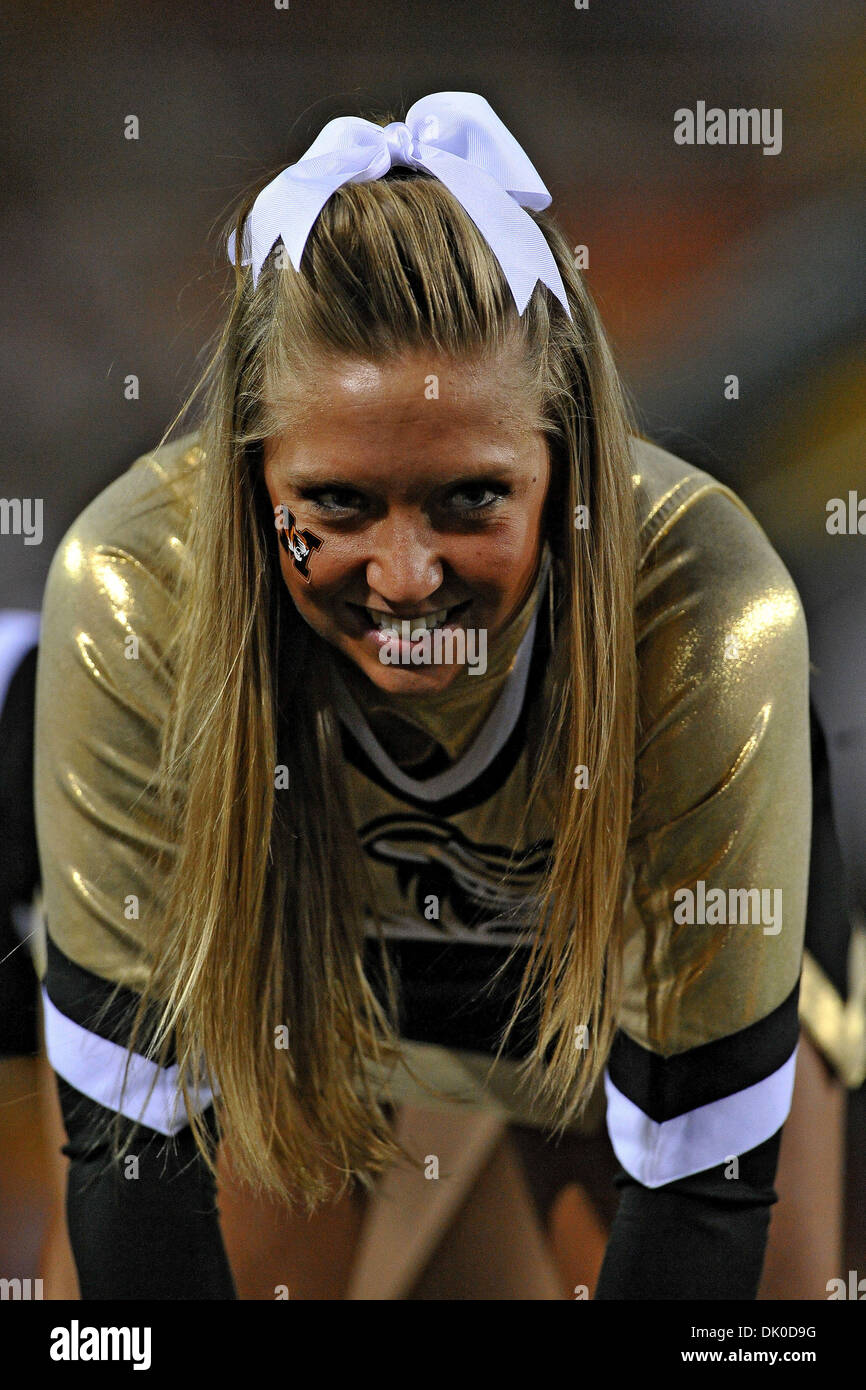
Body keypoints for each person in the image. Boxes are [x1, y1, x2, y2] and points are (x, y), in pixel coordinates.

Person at [33, 91, 811, 1300]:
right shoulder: (138, 586)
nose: (406, 582)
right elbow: (133, 1166)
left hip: (623, 988)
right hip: (297, 988)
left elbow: (701, 1189)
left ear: (567, 467)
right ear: (244, 479)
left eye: (469, 501)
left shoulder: (705, 613)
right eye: (337, 504)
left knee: (767, 1318)